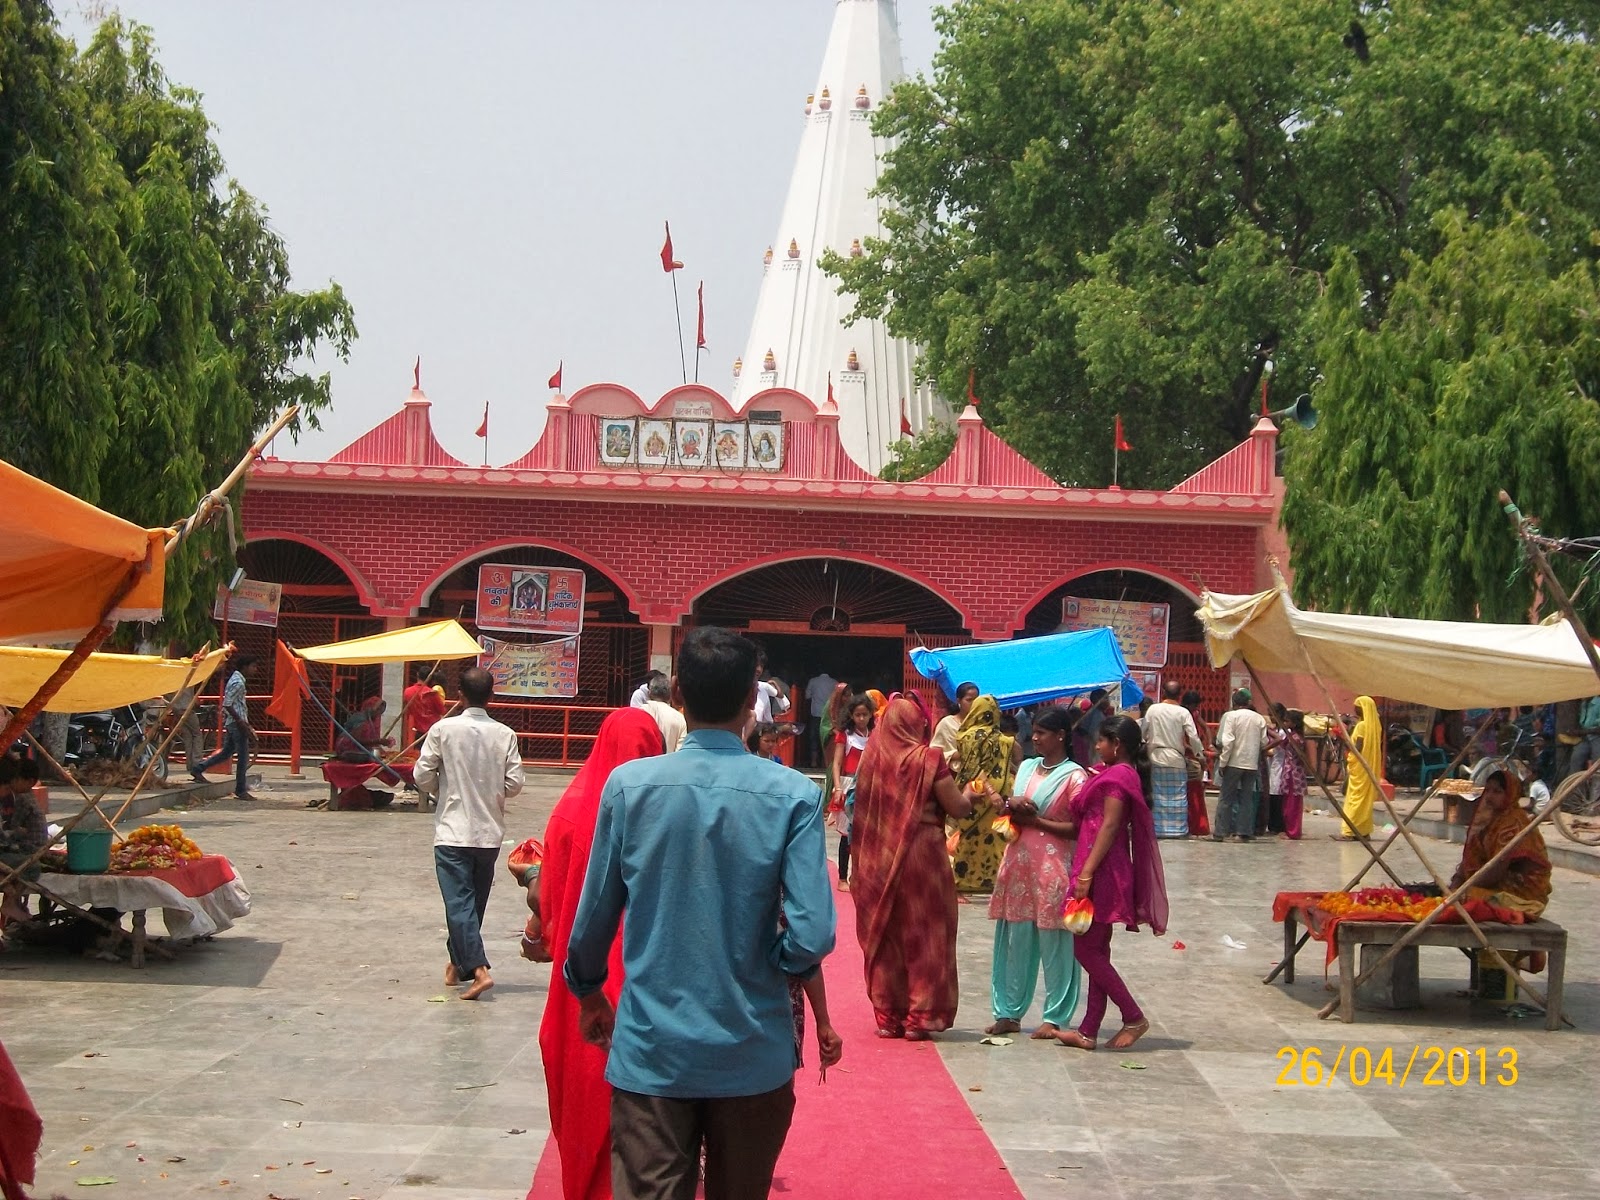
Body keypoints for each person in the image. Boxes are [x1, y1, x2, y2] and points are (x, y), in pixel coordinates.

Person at [563, 626, 835, 1199]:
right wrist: (771, 960)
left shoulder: (628, 787)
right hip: (752, 1047)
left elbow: (592, 922)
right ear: (750, 701)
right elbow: (812, 933)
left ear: (678, 692)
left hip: (652, 1048)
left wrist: (589, 991)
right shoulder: (793, 795)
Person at [521, 707, 664, 1200]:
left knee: (582, 1088)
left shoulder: (570, 810)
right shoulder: (660, 805)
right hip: (646, 975)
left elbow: (555, 908)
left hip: (581, 979)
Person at [851, 695, 974, 1039]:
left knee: (887, 932)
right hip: (923, 855)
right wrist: (972, 795)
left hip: (880, 856)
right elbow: (958, 806)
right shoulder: (929, 759)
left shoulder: (872, 759)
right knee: (927, 933)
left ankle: (890, 1014)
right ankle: (922, 1015)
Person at [1054, 715, 1168, 1052]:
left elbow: (1110, 825)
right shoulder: (1113, 772)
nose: (1097, 746)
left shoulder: (1119, 776)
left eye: (1102, 741)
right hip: (1097, 864)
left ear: (1116, 744)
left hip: (1103, 868)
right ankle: (1088, 1030)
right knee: (1097, 948)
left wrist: (1087, 873)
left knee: (1085, 948)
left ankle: (1133, 1015)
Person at [415, 667, 525, 1001]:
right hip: (488, 833)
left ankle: (478, 970)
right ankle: (456, 963)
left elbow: (422, 775)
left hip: (452, 831)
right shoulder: (505, 734)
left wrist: (443, 788)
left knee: (459, 905)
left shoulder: (443, 729)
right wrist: (493, 792)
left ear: (458, 695)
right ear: (491, 696)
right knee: (470, 905)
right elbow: (515, 783)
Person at [985, 707, 1085, 1040]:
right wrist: (1011, 803)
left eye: (1043, 733)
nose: (1035, 738)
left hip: (1052, 868)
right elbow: (1014, 807)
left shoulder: (1075, 776)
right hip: (1018, 864)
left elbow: (1078, 828)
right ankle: (1008, 1012)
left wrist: (1036, 821)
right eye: (1035, 732)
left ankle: (1055, 1016)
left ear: (1061, 736)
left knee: (1055, 942)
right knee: (1015, 940)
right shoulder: (1027, 766)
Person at [1450, 769, 1551, 917]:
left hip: (1523, 893)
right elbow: (1471, 855)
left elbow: (1495, 872)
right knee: (1451, 895)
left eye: (1497, 792)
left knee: (1465, 898)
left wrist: (1463, 888)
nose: (1489, 796)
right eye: (1488, 790)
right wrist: (1457, 880)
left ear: (1510, 794)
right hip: (1496, 883)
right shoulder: (1488, 819)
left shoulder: (1514, 823)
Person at [950, 695, 1019, 894]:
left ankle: (966, 878)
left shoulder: (965, 736)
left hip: (975, 790)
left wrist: (988, 790)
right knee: (995, 836)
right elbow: (1018, 755)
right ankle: (991, 878)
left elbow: (973, 768)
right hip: (1001, 789)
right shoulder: (1005, 739)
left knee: (970, 834)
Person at [191, 653, 258, 800]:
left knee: (226, 753)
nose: (255, 670)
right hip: (236, 724)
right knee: (243, 757)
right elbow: (227, 703)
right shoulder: (238, 683)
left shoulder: (237, 680)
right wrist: (241, 722)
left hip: (234, 722)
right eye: (253, 666)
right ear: (245, 667)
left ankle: (198, 768)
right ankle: (240, 790)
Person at [1142, 681, 1202, 838]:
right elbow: (1194, 737)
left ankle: (1157, 829)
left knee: (1157, 795)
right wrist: (1200, 756)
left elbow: (1143, 732)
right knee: (1178, 797)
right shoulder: (1183, 713)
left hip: (1155, 758)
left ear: (1163, 692)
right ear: (1180, 694)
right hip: (1176, 760)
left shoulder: (1153, 710)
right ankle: (1178, 830)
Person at [829, 695, 874, 891]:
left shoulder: (875, 735)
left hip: (869, 786)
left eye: (865, 715)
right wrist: (838, 787)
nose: (861, 719)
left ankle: (858, 875)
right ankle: (842, 878)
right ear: (851, 715)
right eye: (858, 715)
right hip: (848, 785)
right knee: (846, 834)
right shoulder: (845, 735)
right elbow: (837, 763)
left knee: (865, 834)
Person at [1212, 688, 1267, 842]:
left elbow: (1227, 741)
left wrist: (1223, 763)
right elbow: (1264, 742)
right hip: (1251, 764)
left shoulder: (1230, 716)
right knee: (1246, 798)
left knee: (1226, 798)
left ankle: (1220, 832)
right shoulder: (1259, 719)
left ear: (1234, 702)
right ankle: (1242, 832)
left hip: (1233, 762)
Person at [0, 756, 49, 929]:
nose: (8, 791)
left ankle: (11, 897)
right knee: (31, 865)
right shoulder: (21, 798)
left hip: (14, 847)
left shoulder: (21, 798)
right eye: (6, 786)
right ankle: (10, 902)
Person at [1338, 695, 1385, 840]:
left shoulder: (1361, 726)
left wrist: (1343, 738)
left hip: (1360, 768)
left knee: (1355, 799)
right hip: (1369, 767)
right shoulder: (1376, 726)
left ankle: (1350, 831)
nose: (1354, 709)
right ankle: (1363, 831)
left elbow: (1356, 748)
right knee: (1364, 801)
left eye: (1356, 707)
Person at [1264, 709, 1307, 839]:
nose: (1285, 723)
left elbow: (1298, 754)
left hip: (1293, 773)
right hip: (1289, 772)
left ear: (1293, 723)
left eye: (1287, 721)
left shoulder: (1295, 738)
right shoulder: (1292, 735)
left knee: (1293, 804)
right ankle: (1290, 830)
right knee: (1288, 803)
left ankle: (1293, 832)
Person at [1180, 689, 1213, 838]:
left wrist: (1209, 744)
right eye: (1194, 705)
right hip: (1187, 755)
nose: (1196, 708)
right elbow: (1182, 740)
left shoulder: (1195, 714)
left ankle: (1196, 823)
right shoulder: (1181, 714)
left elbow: (1205, 728)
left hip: (1195, 753)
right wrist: (1198, 752)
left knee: (1195, 790)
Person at [334, 696, 393, 762]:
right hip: (348, 749)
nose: (378, 713)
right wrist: (379, 741)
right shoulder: (360, 718)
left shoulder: (371, 722)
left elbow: (371, 742)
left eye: (380, 711)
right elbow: (357, 740)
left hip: (360, 750)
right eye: (377, 710)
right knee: (371, 758)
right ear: (370, 708)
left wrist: (382, 746)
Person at [931, 682, 978, 762]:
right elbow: (933, 753)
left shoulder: (981, 722)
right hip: (953, 772)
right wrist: (955, 755)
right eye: (969, 700)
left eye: (976, 700)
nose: (973, 703)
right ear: (959, 701)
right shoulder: (947, 723)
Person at [640, 673, 686, 753]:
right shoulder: (680, 719)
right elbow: (680, 753)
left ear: (649, 693)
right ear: (670, 695)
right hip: (669, 764)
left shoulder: (639, 713)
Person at [403, 667, 448, 748]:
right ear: (431, 678)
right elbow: (442, 710)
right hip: (434, 732)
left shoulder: (407, 692)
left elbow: (409, 711)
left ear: (417, 675)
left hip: (419, 732)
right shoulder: (432, 693)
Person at [803, 670, 838, 767]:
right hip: (829, 716)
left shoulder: (813, 681)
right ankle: (825, 762)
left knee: (814, 738)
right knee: (827, 738)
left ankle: (814, 761)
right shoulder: (834, 683)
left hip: (815, 713)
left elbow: (807, 696)